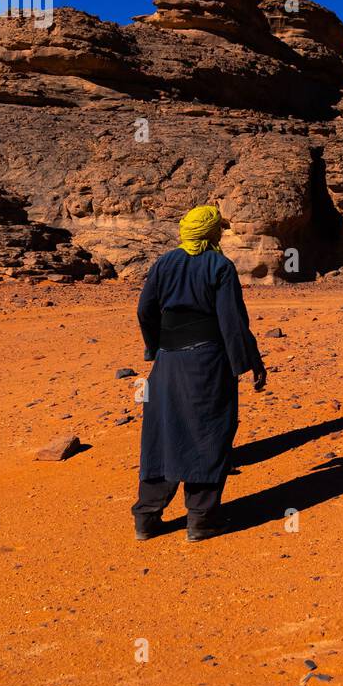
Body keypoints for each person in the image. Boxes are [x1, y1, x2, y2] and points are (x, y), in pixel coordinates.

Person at [132, 204, 266, 542]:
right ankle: (201, 520)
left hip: (167, 363)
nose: (221, 233)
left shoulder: (164, 262)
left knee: (162, 433)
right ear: (209, 232)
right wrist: (246, 363)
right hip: (207, 361)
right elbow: (232, 322)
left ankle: (146, 519)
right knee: (208, 433)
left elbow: (145, 310)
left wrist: (155, 348)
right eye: (217, 228)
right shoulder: (219, 265)